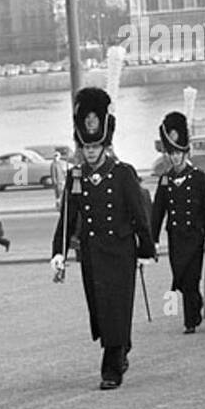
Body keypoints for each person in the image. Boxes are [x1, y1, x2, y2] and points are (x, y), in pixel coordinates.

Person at [50, 87, 156, 389]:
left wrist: (146, 250)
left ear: (105, 143)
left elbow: (138, 215)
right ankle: (120, 347)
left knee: (116, 306)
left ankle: (111, 367)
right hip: (92, 255)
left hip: (121, 252)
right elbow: (68, 218)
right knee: (99, 309)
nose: (91, 151)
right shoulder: (76, 177)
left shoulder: (123, 174)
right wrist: (58, 253)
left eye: (96, 145)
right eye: (87, 147)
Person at [150, 110, 205, 333]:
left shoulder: (198, 177)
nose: (175, 157)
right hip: (176, 237)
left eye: (179, 153)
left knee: (191, 278)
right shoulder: (165, 179)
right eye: (172, 153)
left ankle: (189, 321)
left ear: (185, 153)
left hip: (194, 236)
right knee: (180, 277)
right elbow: (158, 210)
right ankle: (195, 303)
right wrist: (153, 239)